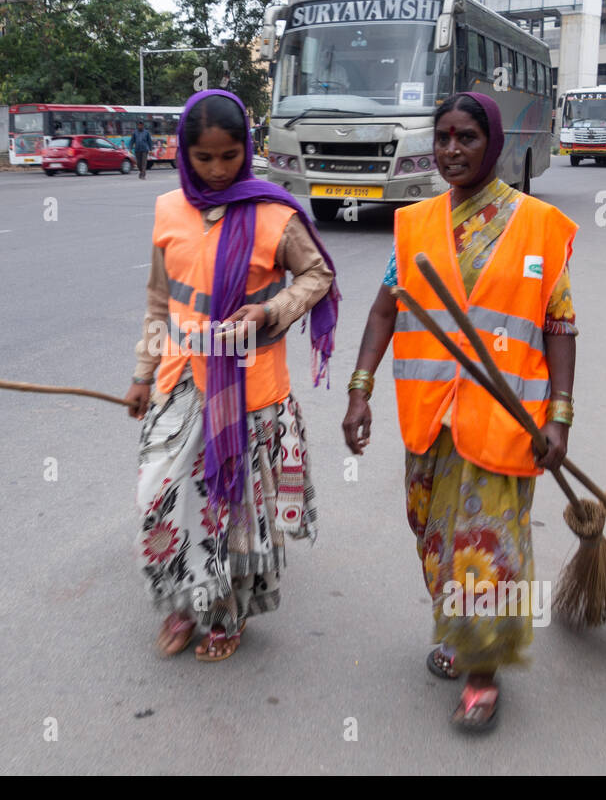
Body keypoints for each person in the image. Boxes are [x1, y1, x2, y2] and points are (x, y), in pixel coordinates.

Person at [341, 91, 578, 732]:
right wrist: (359, 390)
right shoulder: (416, 224)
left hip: (506, 422)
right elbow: (387, 307)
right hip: (431, 417)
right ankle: (459, 631)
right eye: (442, 136)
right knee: (435, 537)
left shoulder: (537, 225)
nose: (451, 150)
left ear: (492, 143)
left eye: (467, 137)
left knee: (488, 542)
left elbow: (559, 323)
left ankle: (482, 669)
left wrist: (559, 415)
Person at [125, 90, 340, 662]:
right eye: (203, 158)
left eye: (228, 156)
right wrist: (143, 374)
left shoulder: (275, 213)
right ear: (184, 154)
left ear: (246, 149)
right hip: (180, 380)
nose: (217, 170)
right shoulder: (169, 209)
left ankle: (224, 615)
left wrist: (269, 311)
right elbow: (158, 300)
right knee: (162, 497)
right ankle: (179, 605)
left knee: (232, 512)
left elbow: (317, 275)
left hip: (249, 389)